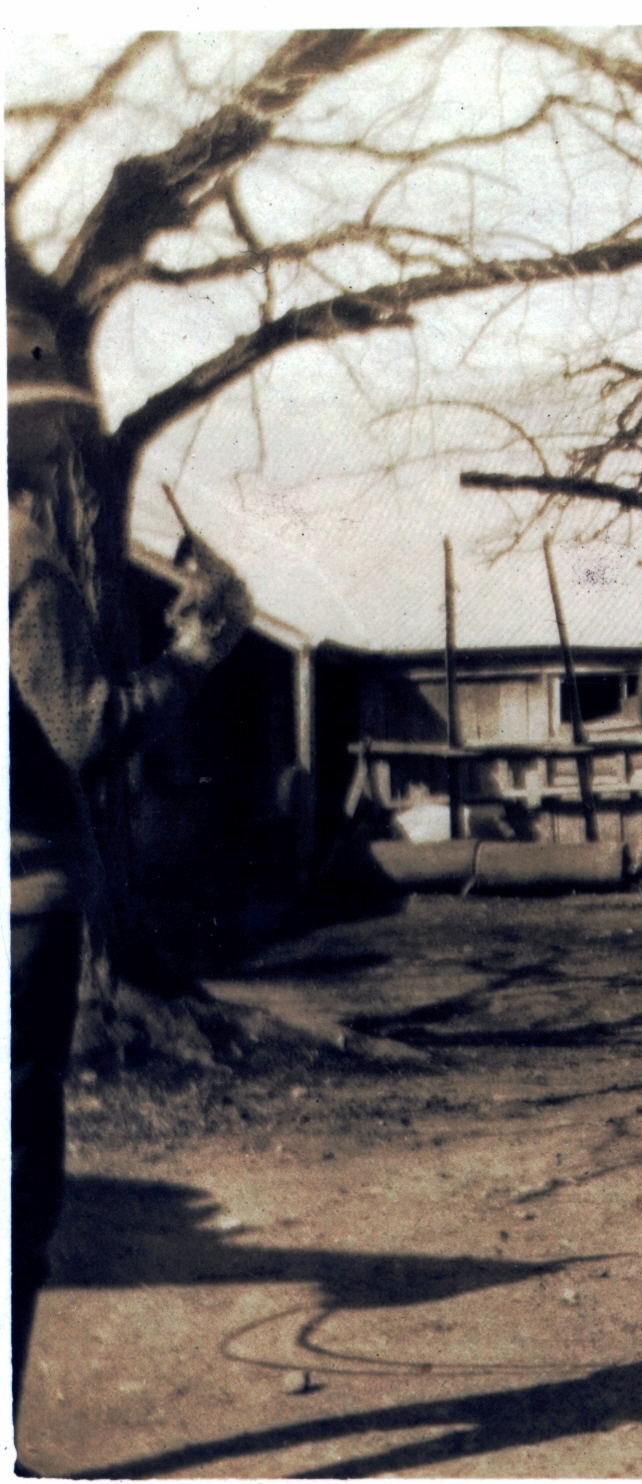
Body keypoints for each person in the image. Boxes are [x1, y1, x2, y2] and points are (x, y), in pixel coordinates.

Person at [9, 305, 252, 1412]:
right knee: (21, 1192)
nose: (69, 459)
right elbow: (87, 726)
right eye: (55, 435)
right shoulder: (26, 566)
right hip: (20, 906)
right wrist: (199, 654)